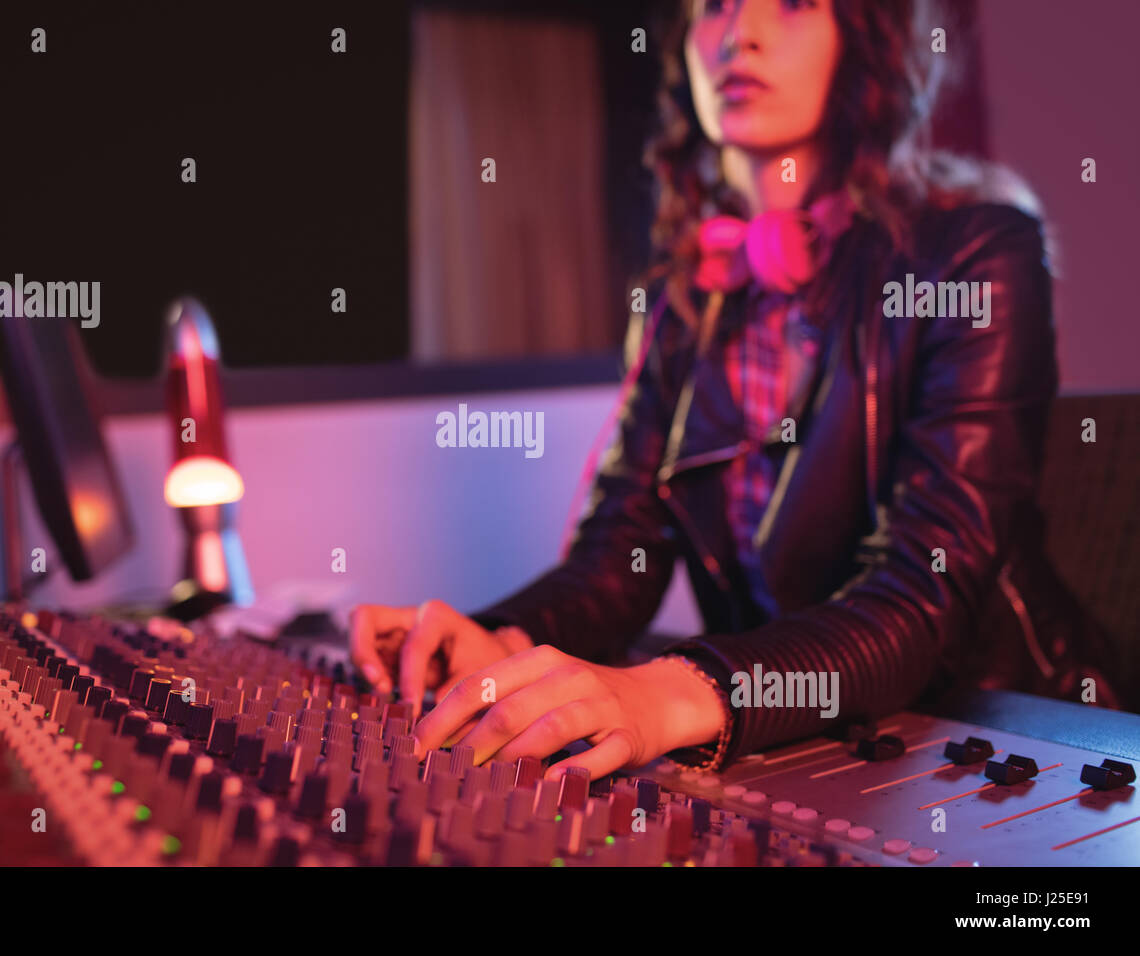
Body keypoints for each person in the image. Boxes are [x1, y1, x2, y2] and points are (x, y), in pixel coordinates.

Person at [349, 0, 1119, 781]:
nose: (739, 32)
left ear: (863, 39)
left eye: (791, 3)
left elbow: (926, 585)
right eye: (713, 5)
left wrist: (671, 692)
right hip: (799, 737)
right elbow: (622, 551)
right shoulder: (689, 293)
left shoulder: (979, 252)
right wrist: (502, 640)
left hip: (1001, 737)